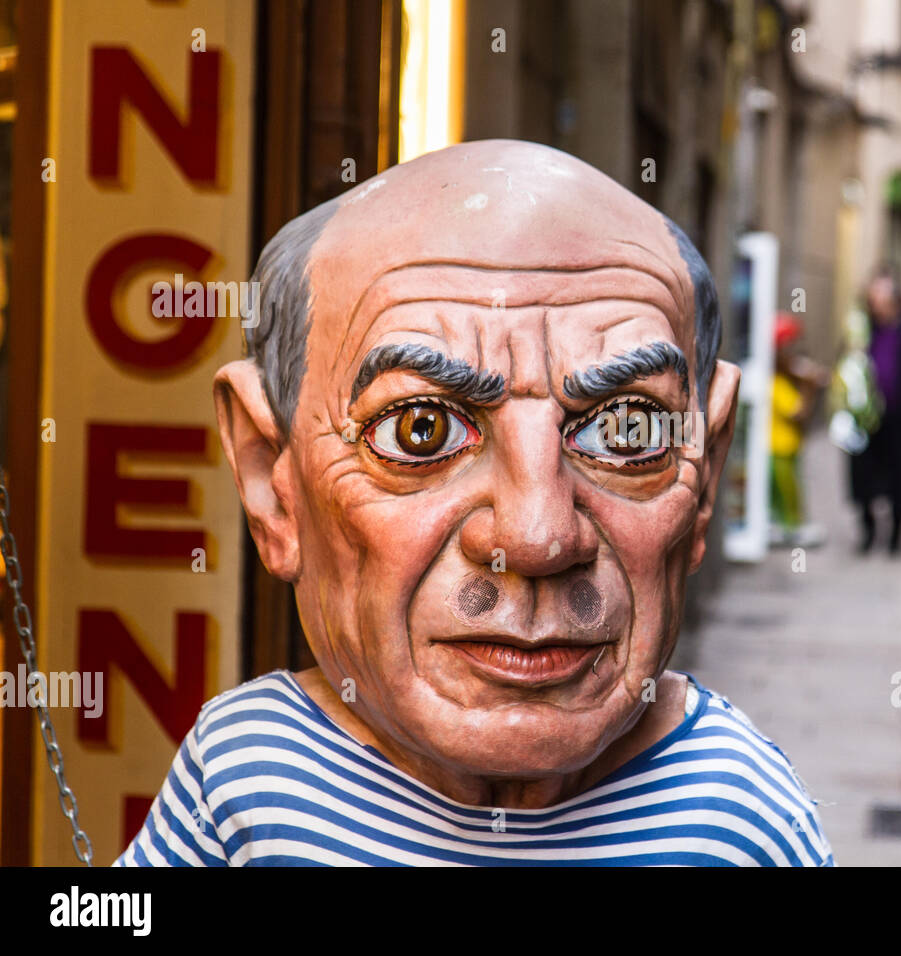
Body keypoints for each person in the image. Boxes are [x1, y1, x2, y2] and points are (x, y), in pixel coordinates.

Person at [115, 140, 832, 867]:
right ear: (273, 478)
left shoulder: (735, 811)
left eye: (625, 429)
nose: (536, 537)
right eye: (420, 430)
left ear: (703, 478)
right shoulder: (246, 778)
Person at [847, 268, 901, 554]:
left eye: (882, 293)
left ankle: (897, 534)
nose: (876, 300)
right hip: (865, 417)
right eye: (873, 294)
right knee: (864, 476)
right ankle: (868, 529)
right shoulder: (861, 328)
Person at [770, 313, 828, 547]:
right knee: (786, 491)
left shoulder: (783, 380)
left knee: (792, 487)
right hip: (778, 447)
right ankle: (790, 527)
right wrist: (809, 385)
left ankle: (790, 524)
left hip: (789, 446)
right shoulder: (776, 384)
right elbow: (799, 412)